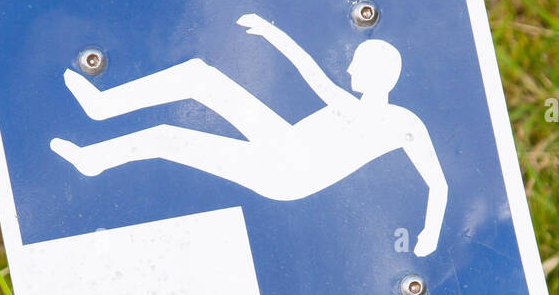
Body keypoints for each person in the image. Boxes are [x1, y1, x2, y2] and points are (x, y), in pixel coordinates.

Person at [50, 13, 448, 256]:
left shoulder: (374, 114)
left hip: (292, 160)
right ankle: (93, 158)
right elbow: (438, 185)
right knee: (168, 136)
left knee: (198, 77)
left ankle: (101, 109)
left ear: (378, 72)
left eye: (357, 64)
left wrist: (271, 32)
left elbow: (314, 76)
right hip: (280, 169)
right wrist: (429, 233)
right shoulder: (402, 122)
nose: (349, 71)